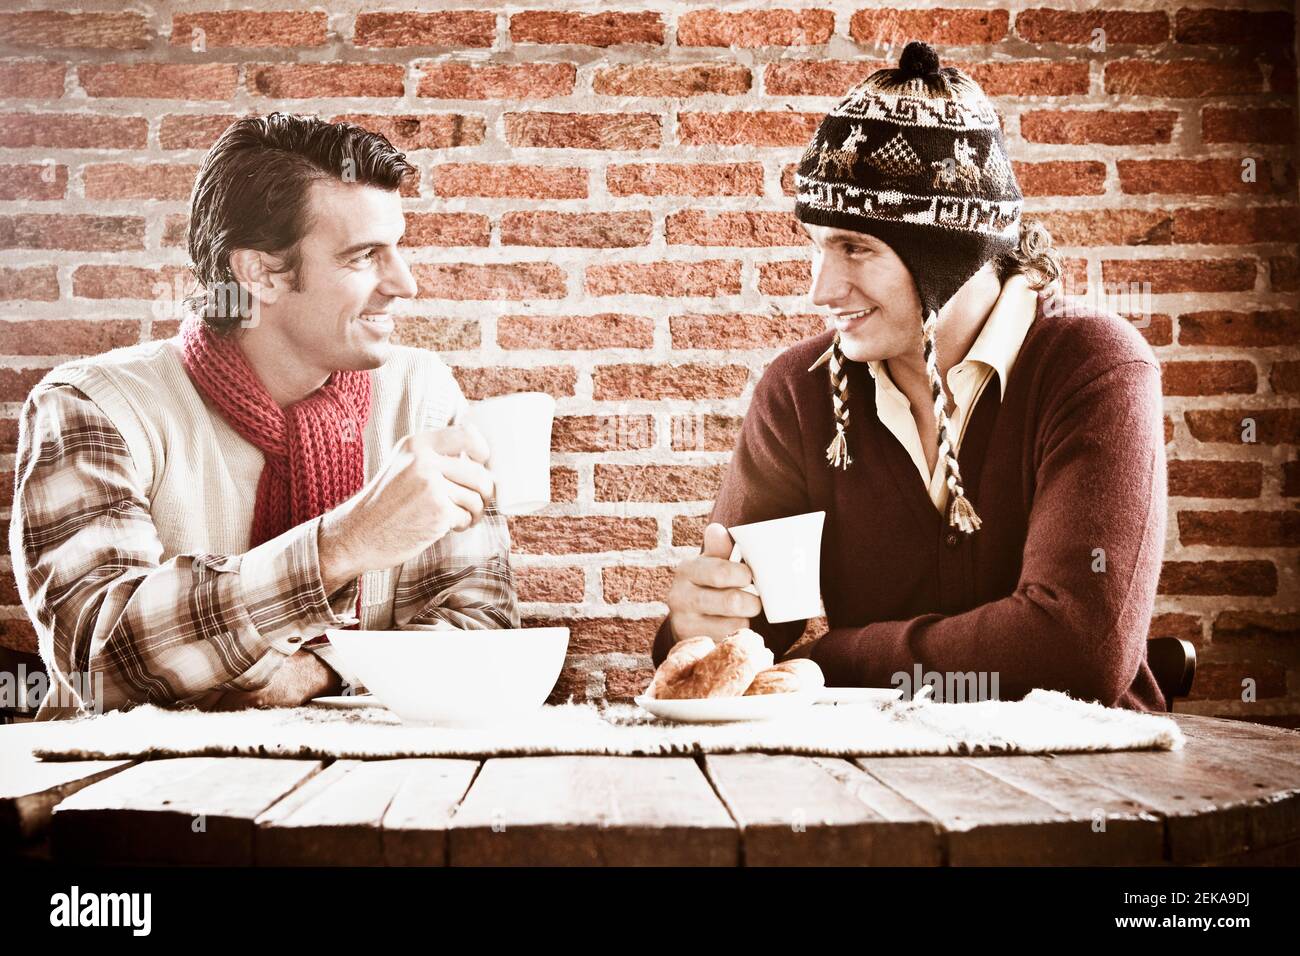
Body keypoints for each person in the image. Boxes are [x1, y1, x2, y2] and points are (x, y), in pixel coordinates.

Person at [655, 42, 1167, 711]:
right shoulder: (801, 391)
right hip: (871, 782)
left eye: (856, 248)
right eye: (817, 246)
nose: (821, 290)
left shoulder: (1092, 366)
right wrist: (694, 628)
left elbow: (1073, 653)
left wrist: (831, 657)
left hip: (1086, 781)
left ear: (948, 259)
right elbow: (747, 648)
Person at [10, 113, 519, 720]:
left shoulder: (421, 391)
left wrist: (321, 667)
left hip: (364, 789)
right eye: (364, 256)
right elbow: (99, 658)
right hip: (123, 794)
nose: (404, 282)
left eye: (398, 248)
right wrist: (341, 545)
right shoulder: (92, 404)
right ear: (260, 272)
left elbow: (480, 623)